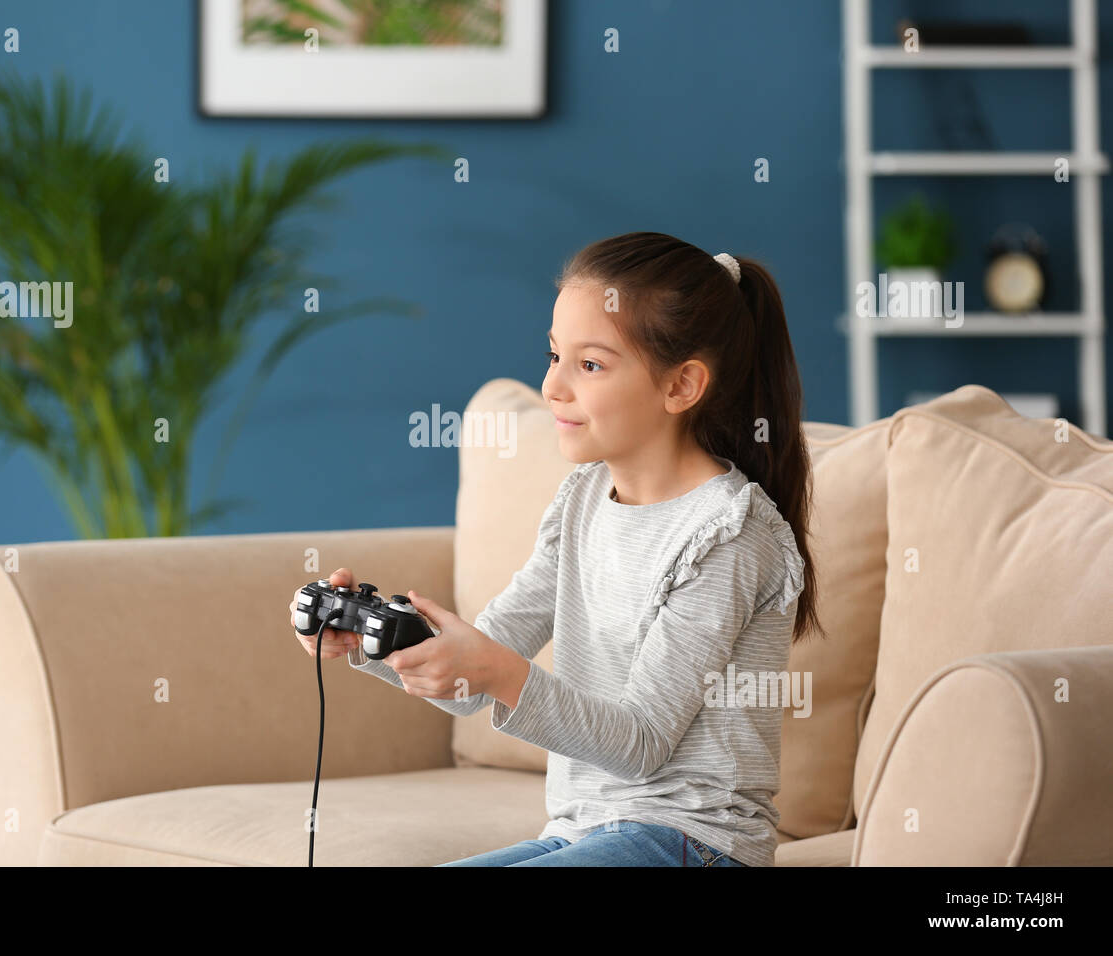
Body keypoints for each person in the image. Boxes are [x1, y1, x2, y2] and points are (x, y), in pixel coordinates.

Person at [291, 231, 823, 866]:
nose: (552, 388)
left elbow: (640, 743)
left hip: (694, 844)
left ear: (682, 386)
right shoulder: (582, 501)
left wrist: (499, 673)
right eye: (552, 356)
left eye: (590, 364)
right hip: (582, 833)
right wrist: (374, 642)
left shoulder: (729, 532)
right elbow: (469, 682)